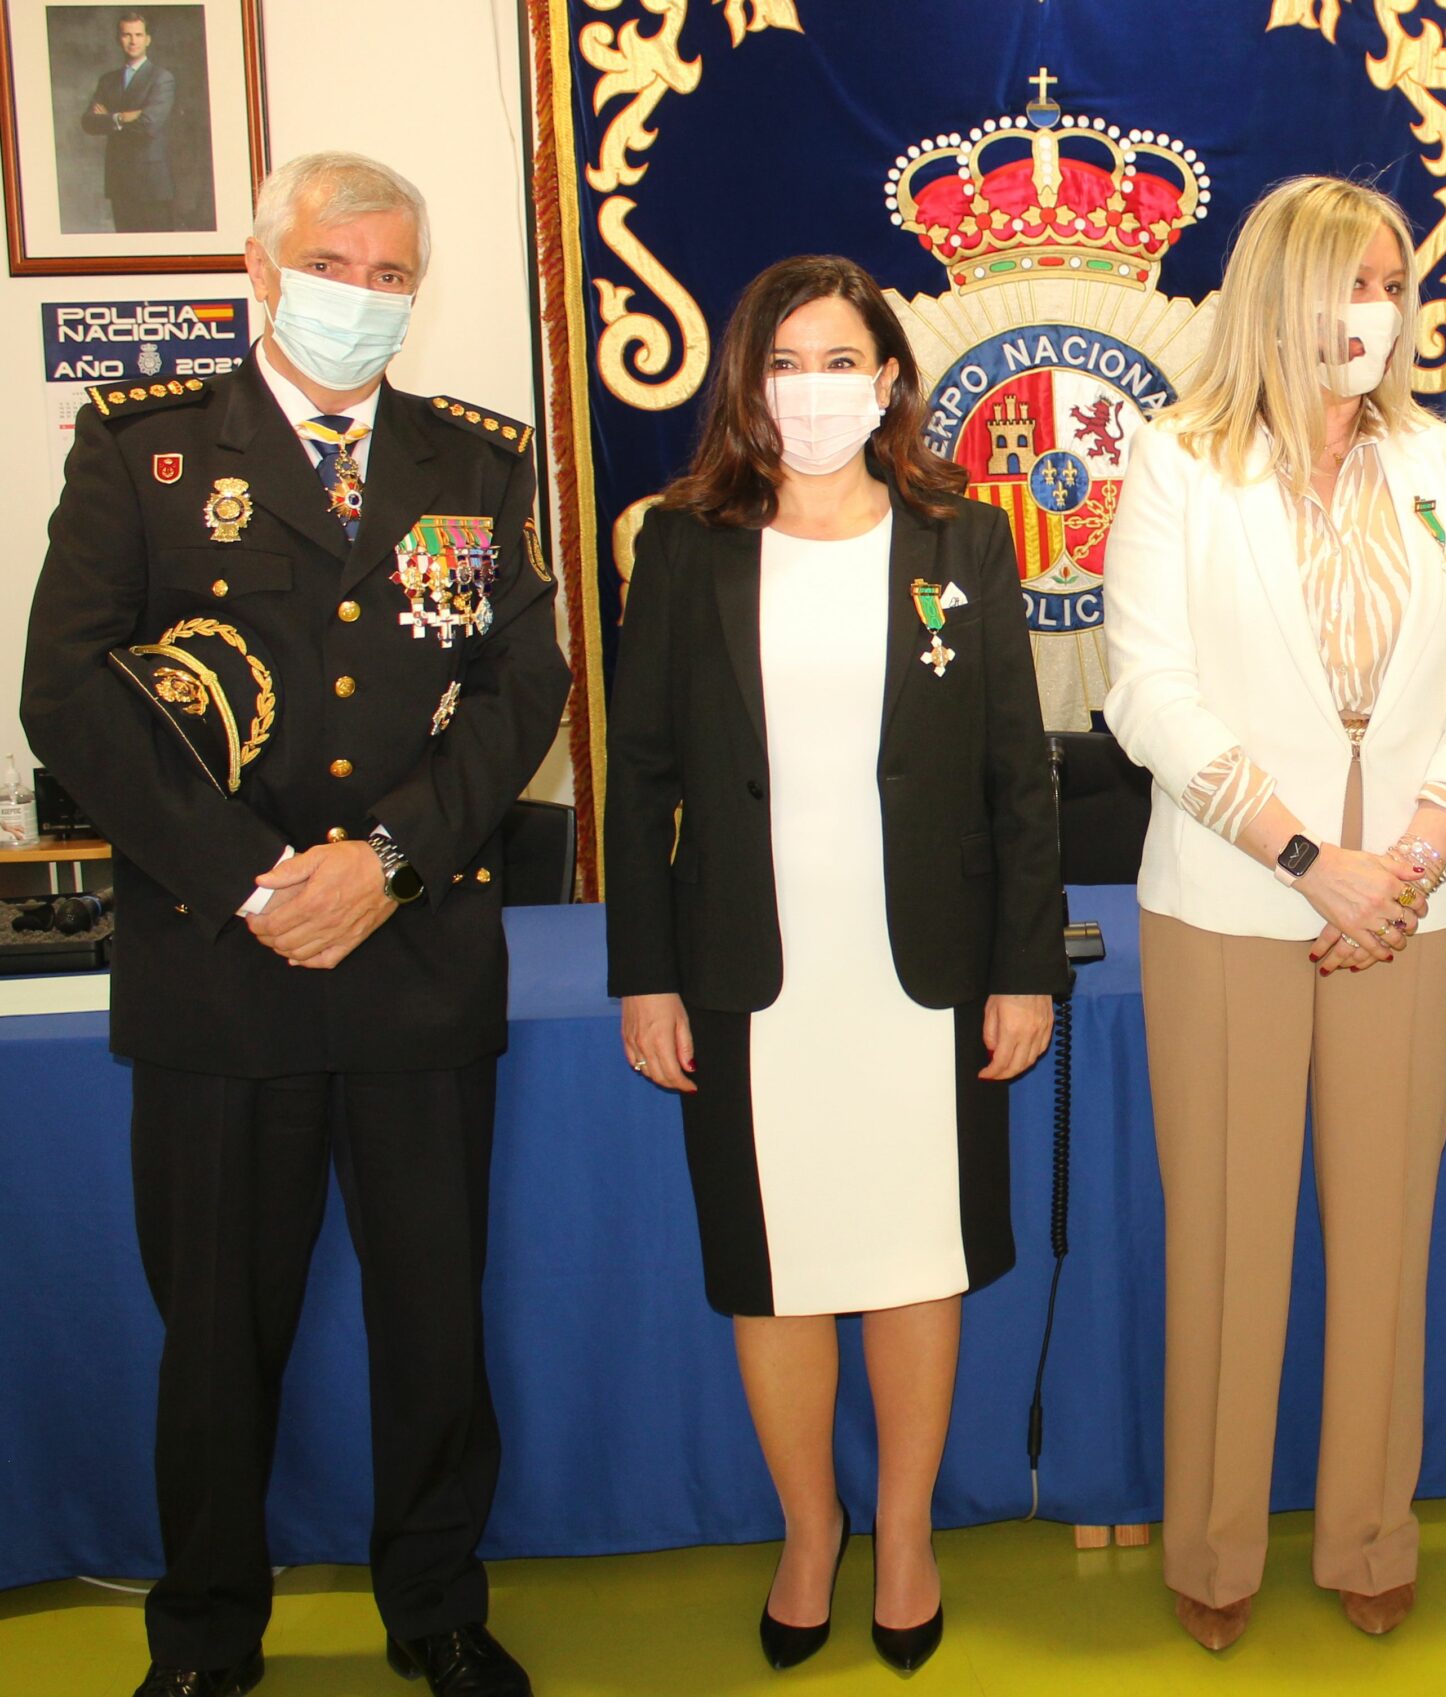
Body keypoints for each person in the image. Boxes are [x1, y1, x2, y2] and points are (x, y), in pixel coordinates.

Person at [21, 152, 565, 1697]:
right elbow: (68, 691)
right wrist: (258, 879)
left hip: (414, 960)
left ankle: (438, 1607)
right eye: (335, 265)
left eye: (393, 275)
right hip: (222, 970)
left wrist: (386, 862)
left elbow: (522, 685)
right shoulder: (146, 450)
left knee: (433, 1324)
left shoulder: (473, 464)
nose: (363, 298)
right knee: (215, 1336)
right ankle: (205, 1633)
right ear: (264, 271)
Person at [604, 253, 1067, 1677]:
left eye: (840, 362)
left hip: (921, 971)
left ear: (888, 380)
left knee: (919, 1253)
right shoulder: (683, 545)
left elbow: (1017, 773)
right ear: (748, 383)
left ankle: (908, 1531)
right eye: (784, 363)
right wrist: (645, 972)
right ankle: (811, 1529)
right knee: (778, 1268)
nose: (813, 390)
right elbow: (641, 775)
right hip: (754, 971)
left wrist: (1025, 969)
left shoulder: (959, 539)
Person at [1103, 174, 1446, 1650]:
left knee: (1386, 1230)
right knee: (1226, 1234)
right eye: (1354, 281)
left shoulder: (1443, 460)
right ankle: (1214, 1547)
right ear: (1281, 291)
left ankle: (1368, 1529)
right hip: (1232, 899)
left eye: (1395, 283)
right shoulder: (1179, 460)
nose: (1380, 310)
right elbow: (1149, 692)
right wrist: (1306, 858)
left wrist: (1405, 858)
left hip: (1413, 902)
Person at [82, 10, 177, 233]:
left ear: (148, 39)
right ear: (119, 39)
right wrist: (122, 117)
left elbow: (149, 125)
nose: (133, 41)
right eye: (127, 35)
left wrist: (109, 118)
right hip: (119, 182)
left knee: (157, 248)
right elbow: (88, 122)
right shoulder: (108, 80)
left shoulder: (161, 78)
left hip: (151, 184)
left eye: (138, 35)